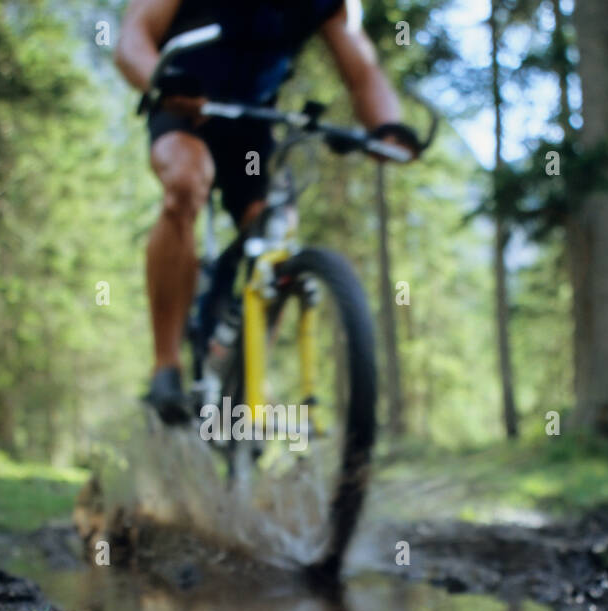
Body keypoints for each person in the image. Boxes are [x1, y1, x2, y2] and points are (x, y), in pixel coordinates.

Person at [114, 0, 420, 423]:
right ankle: (166, 366)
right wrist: (160, 80)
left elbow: (363, 71)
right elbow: (133, 37)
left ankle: (248, 373)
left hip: (252, 127)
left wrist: (387, 127)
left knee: (277, 229)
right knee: (185, 184)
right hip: (182, 104)